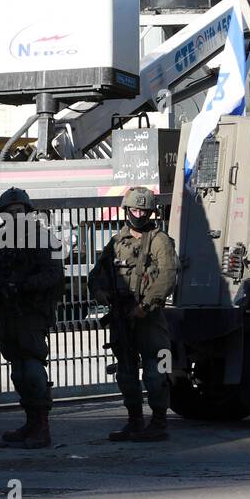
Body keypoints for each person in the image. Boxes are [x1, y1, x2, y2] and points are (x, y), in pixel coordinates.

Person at [88, 185, 178, 442]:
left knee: (155, 372)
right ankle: (135, 421)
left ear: (150, 212)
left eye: (144, 210)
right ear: (127, 209)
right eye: (135, 209)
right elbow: (97, 275)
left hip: (148, 318)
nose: (139, 214)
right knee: (126, 373)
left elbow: (168, 277)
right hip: (122, 317)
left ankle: (159, 422)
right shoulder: (116, 242)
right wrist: (100, 292)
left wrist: (146, 306)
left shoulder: (160, 240)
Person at [0, 187, 63, 449]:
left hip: (31, 312)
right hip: (9, 313)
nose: (15, 216)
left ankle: (42, 426)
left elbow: (55, 275)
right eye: (10, 212)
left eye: (19, 211)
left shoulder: (43, 238)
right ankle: (31, 422)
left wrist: (24, 285)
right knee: (18, 371)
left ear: (28, 213)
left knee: (32, 368)